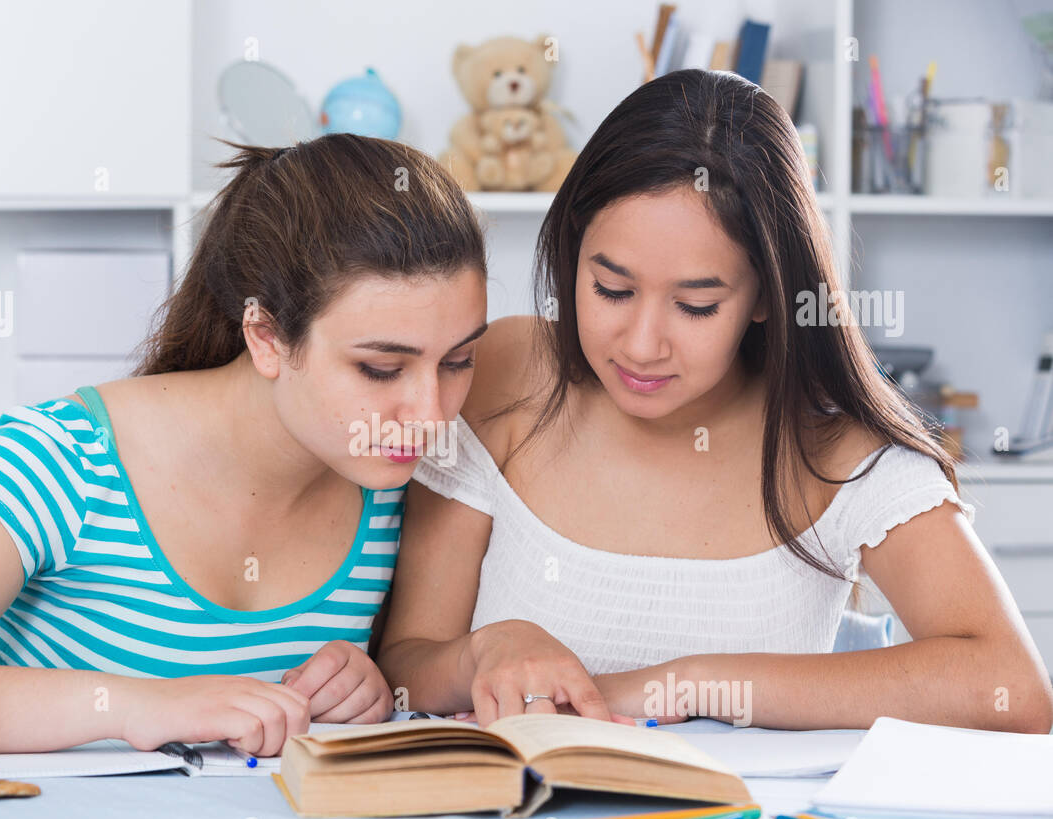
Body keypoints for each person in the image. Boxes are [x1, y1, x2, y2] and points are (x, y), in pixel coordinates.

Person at [376, 69, 1053, 734]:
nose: (642, 346)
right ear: (574, 246)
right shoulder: (498, 374)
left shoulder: (835, 451)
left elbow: (1012, 688)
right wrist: (487, 650)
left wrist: (689, 684)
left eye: (696, 305)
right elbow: (405, 665)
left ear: (765, 294)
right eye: (612, 289)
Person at [0, 134, 488, 758]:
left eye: (458, 361)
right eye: (380, 368)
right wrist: (130, 706)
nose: (431, 415)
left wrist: (363, 688)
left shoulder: (388, 484)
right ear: (264, 335)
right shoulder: (66, 461)